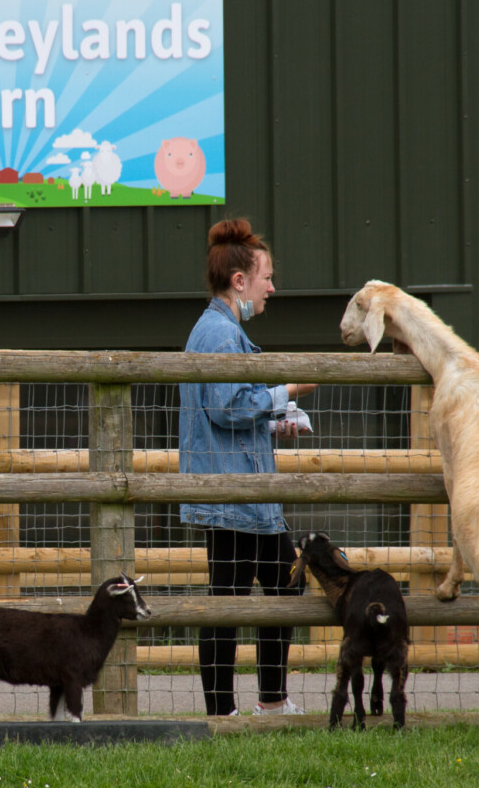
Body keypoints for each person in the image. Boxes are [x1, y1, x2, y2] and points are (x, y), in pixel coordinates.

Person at [178, 218, 317, 717]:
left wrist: (275, 423)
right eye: (266, 278)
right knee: (232, 601)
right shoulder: (218, 332)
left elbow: (230, 412)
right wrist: (289, 391)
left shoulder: (221, 329)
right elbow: (227, 407)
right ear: (240, 282)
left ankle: (264, 702)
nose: (272, 287)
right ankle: (227, 711)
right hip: (232, 496)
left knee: (276, 586)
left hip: (245, 494)